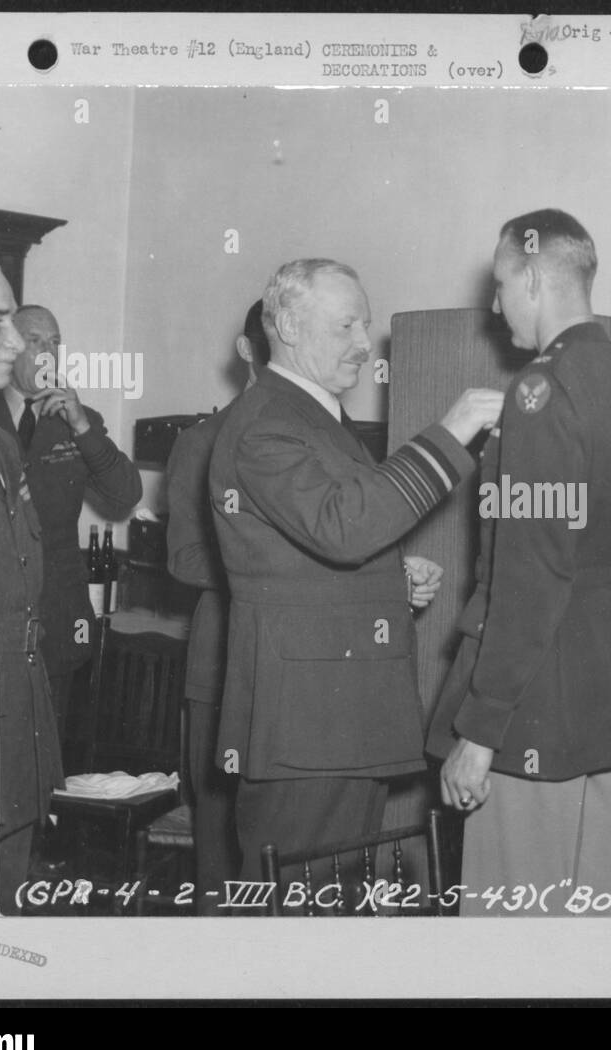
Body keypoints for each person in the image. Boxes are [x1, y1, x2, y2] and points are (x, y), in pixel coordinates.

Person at [209, 259, 503, 882]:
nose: (365, 345)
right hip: (306, 729)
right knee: (296, 917)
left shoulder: (313, 417)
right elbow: (345, 528)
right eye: (346, 326)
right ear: (287, 325)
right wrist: (451, 433)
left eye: (365, 326)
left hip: (334, 721)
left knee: (330, 906)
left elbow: (307, 549)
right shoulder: (267, 422)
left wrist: (388, 576)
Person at [426, 210, 611, 916]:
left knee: (509, 939)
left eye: (502, 284)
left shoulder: (537, 395)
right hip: (606, 708)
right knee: (577, 936)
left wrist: (481, 729)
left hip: (528, 713)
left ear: (532, 277)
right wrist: (608, 666)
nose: (495, 303)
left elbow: (529, 579)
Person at [0, 305, 142, 750]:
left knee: (48, 750)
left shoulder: (77, 420)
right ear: (9, 345)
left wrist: (81, 425)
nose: (45, 353)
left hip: (56, 617)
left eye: (54, 342)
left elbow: (124, 495)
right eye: (34, 340)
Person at [164, 300, 268, 914]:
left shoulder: (331, 439)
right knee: (219, 852)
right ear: (249, 350)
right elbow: (182, 558)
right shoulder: (201, 442)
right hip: (224, 664)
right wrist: (272, 573)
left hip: (303, 674)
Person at [0, 262, 65, 913]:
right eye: (1, 324)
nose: (20, 345)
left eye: (44, 340)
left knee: (15, 854)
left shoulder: (9, 442)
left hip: (34, 659)